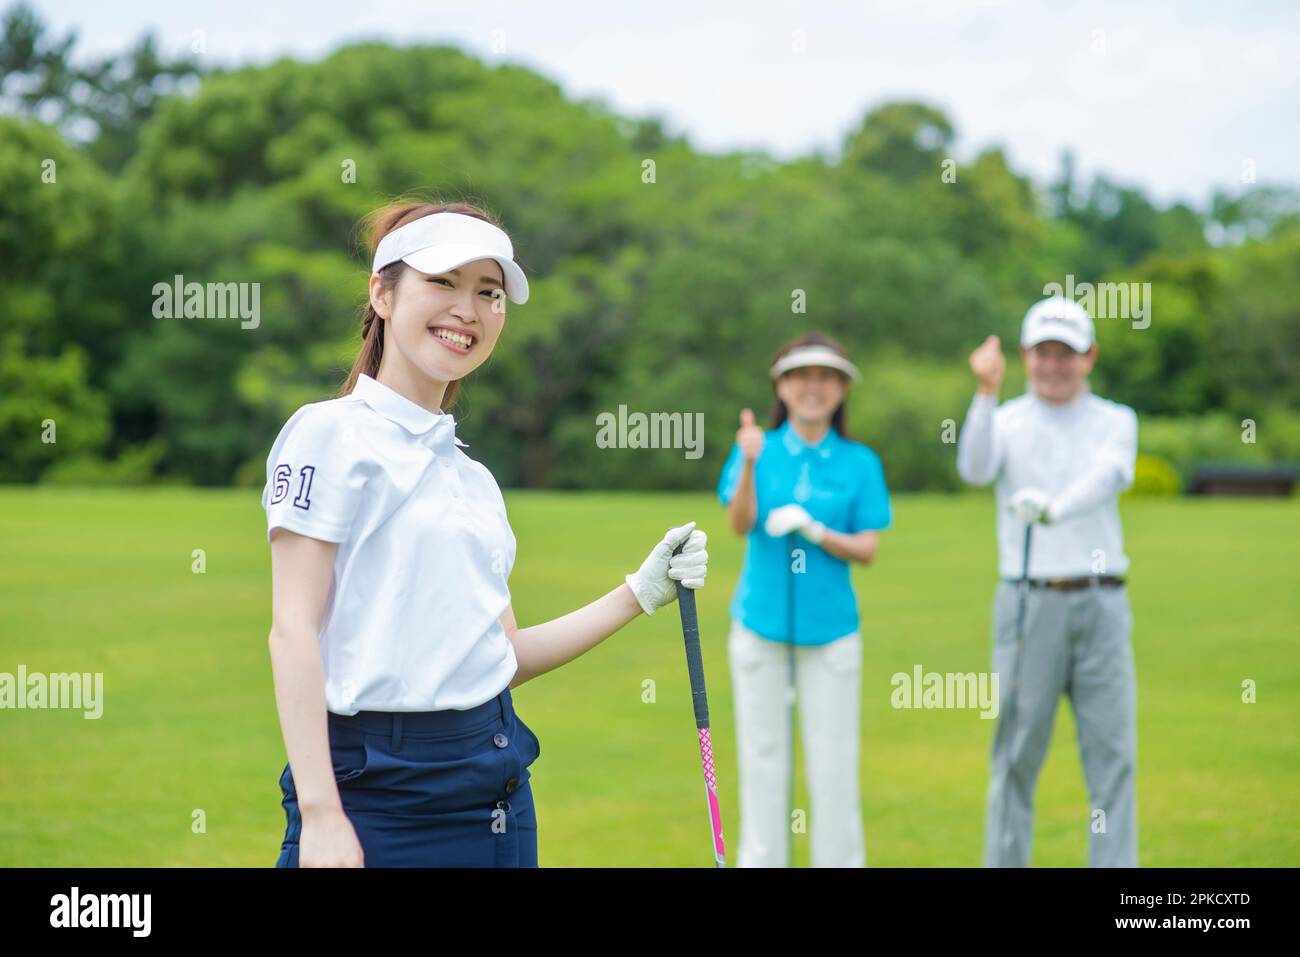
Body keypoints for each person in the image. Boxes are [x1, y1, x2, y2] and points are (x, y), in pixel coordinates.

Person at [264, 200, 709, 867]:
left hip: (492, 782)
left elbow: (503, 659)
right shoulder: (327, 435)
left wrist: (637, 592)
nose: (468, 310)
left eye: (489, 292)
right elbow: (292, 629)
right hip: (372, 793)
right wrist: (323, 815)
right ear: (382, 293)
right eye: (443, 282)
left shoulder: (472, 480)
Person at [956, 295, 1139, 868]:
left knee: (1113, 757)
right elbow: (975, 468)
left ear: (1089, 356)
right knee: (1014, 754)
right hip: (1027, 603)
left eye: (1067, 352)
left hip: (1101, 600)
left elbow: (1109, 476)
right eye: (1044, 352)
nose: (1054, 364)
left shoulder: (1116, 419)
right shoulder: (1005, 418)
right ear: (1025, 356)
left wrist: (1055, 507)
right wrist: (985, 392)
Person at [716, 333, 891, 867]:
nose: (813, 387)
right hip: (760, 629)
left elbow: (867, 548)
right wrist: (748, 463)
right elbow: (739, 522)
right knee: (763, 761)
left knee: (833, 767)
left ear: (841, 389)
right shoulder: (757, 449)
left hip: (832, 634)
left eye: (826, 377)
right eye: (801, 376)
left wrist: (815, 531)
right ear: (782, 387)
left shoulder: (860, 461)